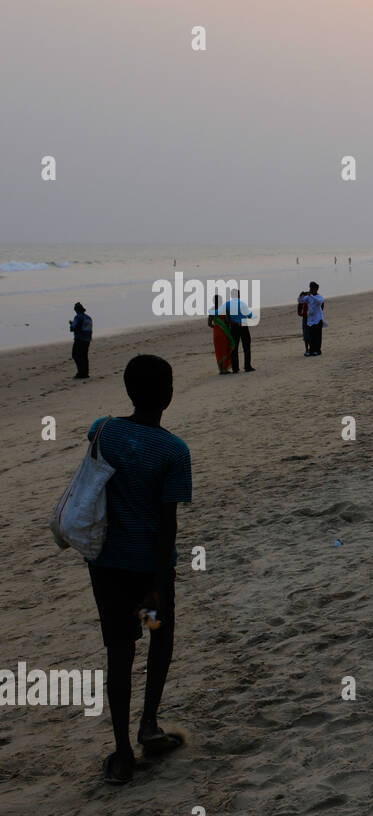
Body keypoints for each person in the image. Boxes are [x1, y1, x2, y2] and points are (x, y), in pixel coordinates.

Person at [85, 355, 192, 784]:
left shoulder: (102, 430)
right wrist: (158, 584)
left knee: (119, 653)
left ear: (128, 392)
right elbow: (167, 526)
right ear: (168, 394)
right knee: (158, 635)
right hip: (148, 573)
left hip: (107, 568)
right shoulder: (173, 451)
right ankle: (148, 723)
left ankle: (123, 752)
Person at [223, 290, 255, 372]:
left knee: (234, 347)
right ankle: (247, 366)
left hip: (233, 327)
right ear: (238, 295)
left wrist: (231, 322)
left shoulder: (227, 304)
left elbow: (226, 318)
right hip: (243, 325)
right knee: (246, 346)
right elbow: (249, 315)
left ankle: (235, 368)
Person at [206, 294, 236, 374]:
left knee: (218, 350)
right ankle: (225, 368)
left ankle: (221, 369)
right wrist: (224, 325)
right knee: (225, 349)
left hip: (216, 332)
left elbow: (209, 324)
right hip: (224, 332)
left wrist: (216, 326)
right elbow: (227, 320)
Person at [69, 302, 92, 379]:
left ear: (76, 310)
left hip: (79, 339)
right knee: (84, 356)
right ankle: (85, 373)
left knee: (76, 355)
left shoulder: (78, 317)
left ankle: (81, 373)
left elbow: (73, 328)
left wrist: (71, 324)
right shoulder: (88, 318)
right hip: (87, 340)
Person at [304, 281, 325, 355]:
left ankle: (318, 350)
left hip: (318, 319)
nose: (311, 290)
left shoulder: (319, 297)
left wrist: (311, 296)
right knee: (311, 335)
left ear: (316, 289)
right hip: (311, 320)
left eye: (312, 289)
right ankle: (311, 350)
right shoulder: (309, 297)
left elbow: (319, 302)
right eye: (310, 288)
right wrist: (302, 295)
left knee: (317, 336)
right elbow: (302, 300)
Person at [297, 290, 311, 356]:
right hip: (305, 318)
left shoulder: (309, 298)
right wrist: (302, 314)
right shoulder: (302, 300)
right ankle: (307, 349)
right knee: (306, 335)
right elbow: (299, 311)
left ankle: (310, 349)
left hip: (311, 318)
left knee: (310, 334)